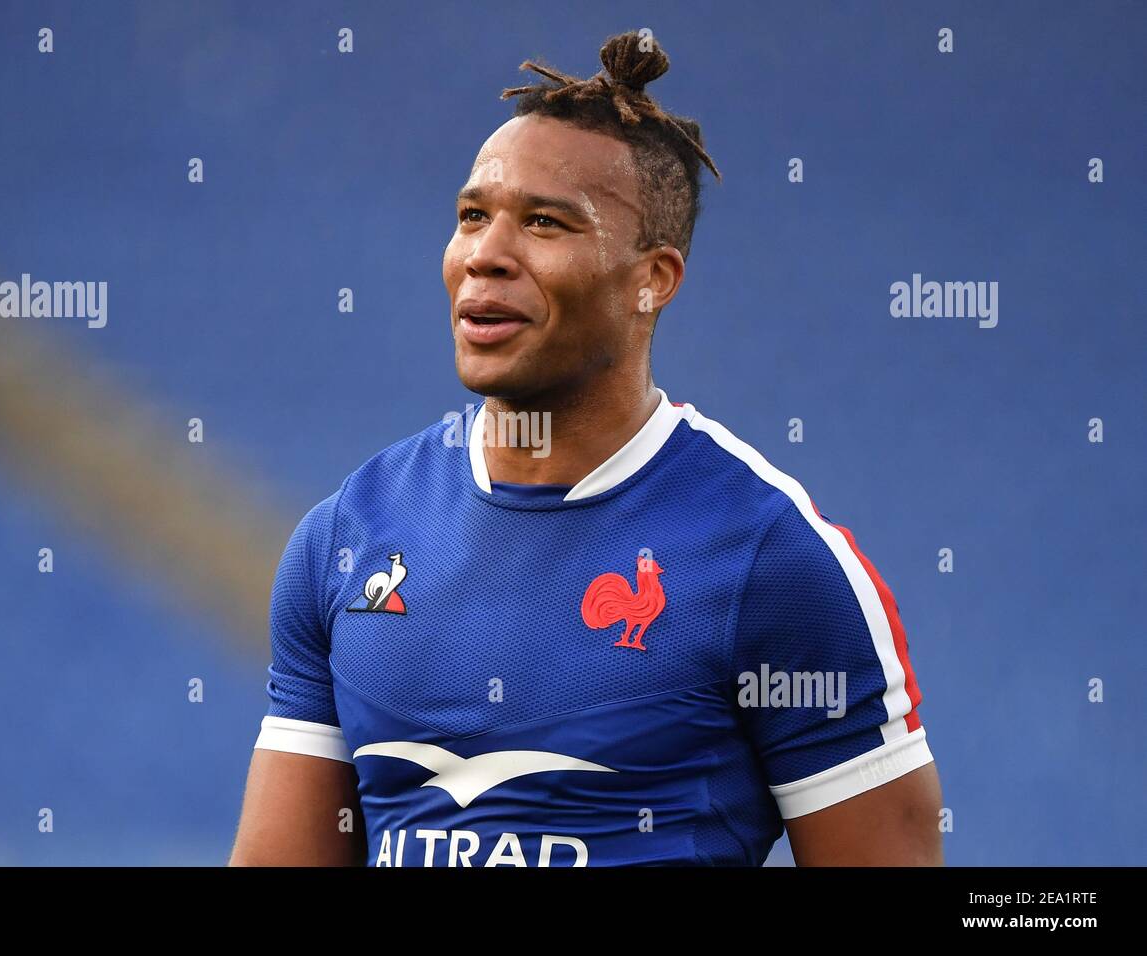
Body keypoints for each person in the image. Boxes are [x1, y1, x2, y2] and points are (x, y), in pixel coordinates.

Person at [229, 30, 942, 867]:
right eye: (471, 217)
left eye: (543, 223)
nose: (485, 256)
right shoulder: (346, 536)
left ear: (654, 279)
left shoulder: (771, 561)